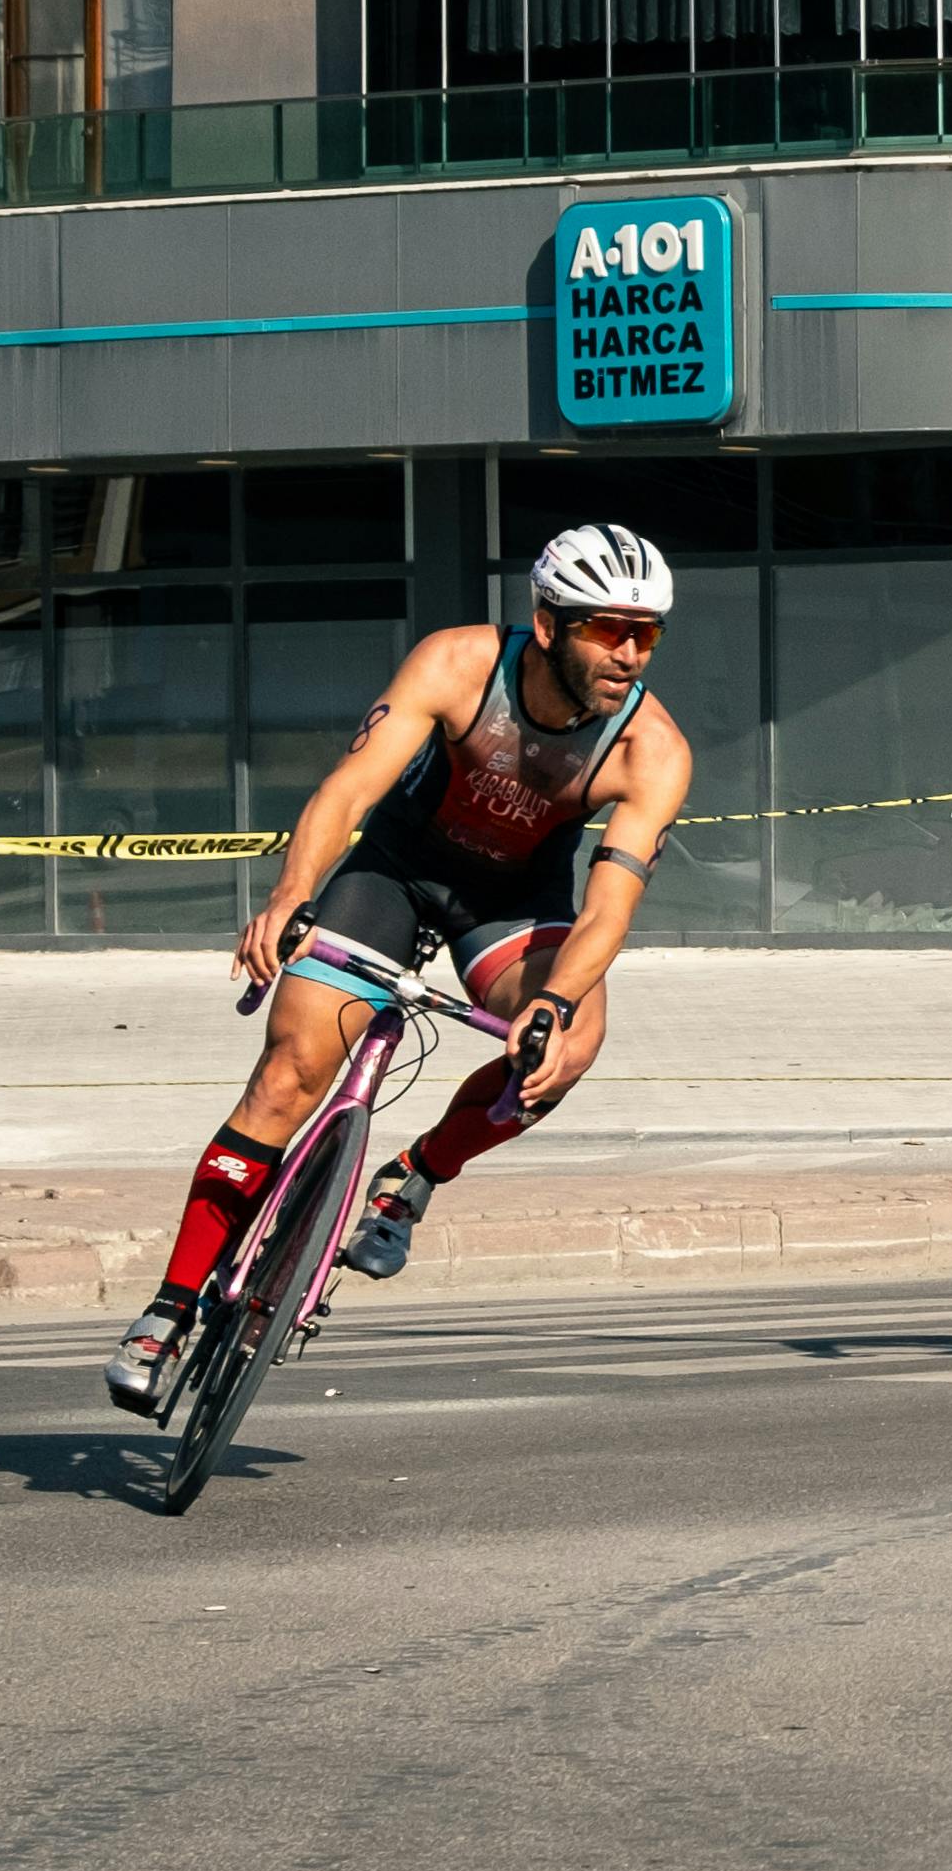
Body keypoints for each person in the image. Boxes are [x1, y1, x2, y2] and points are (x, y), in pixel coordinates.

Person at [108, 526, 694, 1412]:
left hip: (509, 904)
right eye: (610, 629)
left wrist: (556, 1003)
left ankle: (413, 1178)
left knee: (570, 1044)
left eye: (648, 633)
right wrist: (291, 896)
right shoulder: (457, 665)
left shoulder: (651, 749)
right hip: (393, 876)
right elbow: (348, 791)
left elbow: (608, 907)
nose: (630, 652)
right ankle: (170, 1307)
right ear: (547, 625)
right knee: (285, 1079)